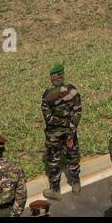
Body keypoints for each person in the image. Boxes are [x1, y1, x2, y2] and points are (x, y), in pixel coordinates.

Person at [41, 63, 83, 200]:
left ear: (52, 78)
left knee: (53, 161)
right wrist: (70, 128)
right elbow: (78, 111)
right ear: (62, 76)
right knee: (72, 156)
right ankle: (75, 183)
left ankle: (55, 190)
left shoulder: (47, 95)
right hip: (70, 133)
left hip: (54, 134)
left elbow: (48, 118)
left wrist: (59, 124)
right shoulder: (72, 91)